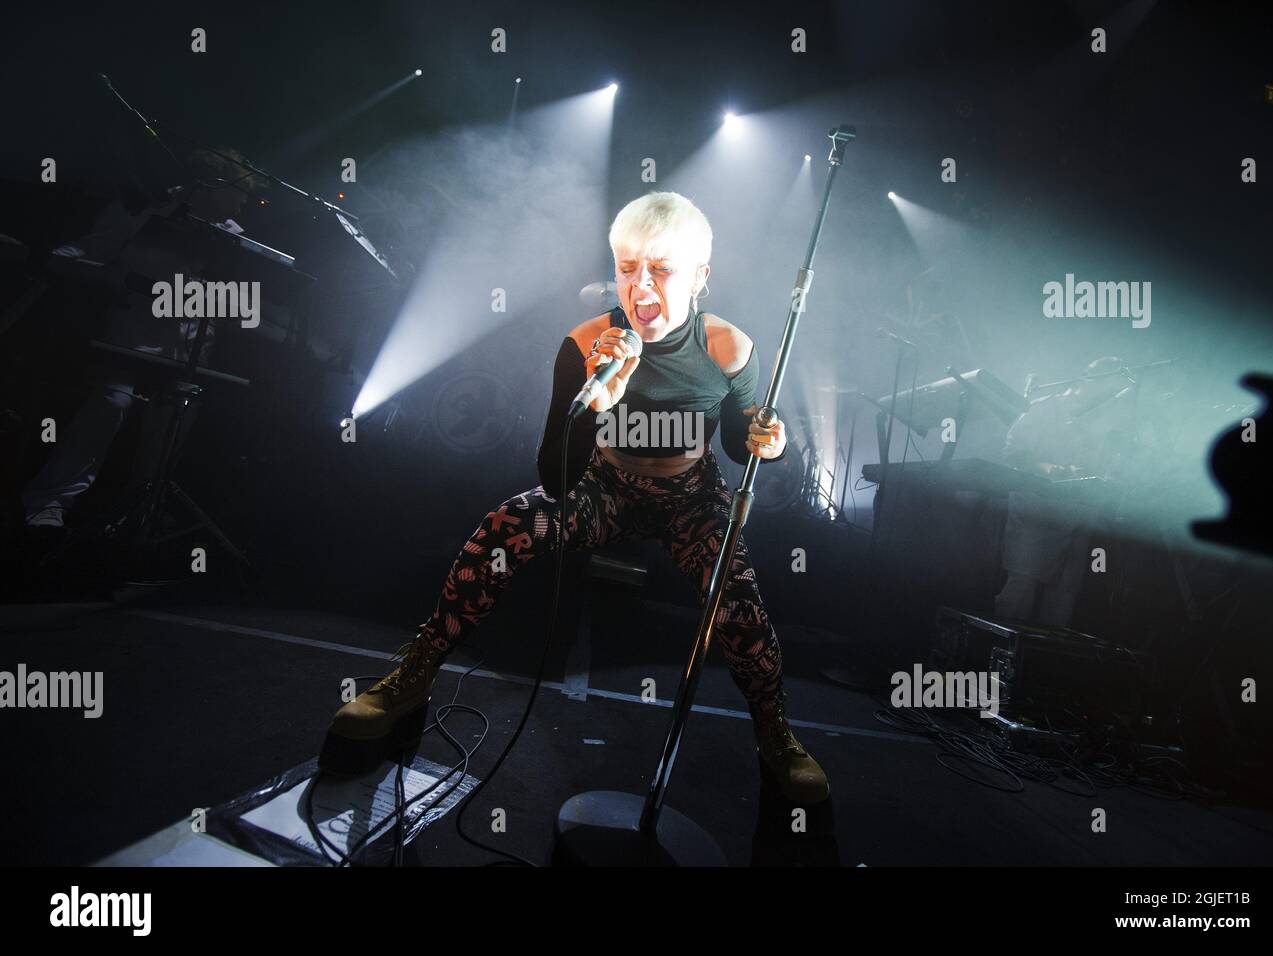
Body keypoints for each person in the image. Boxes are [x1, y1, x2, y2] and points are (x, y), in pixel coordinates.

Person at [320, 191, 830, 804]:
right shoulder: (586, 341)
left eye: (662, 270)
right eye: (627, 267)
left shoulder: (729, 348)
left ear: (700, 277)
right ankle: (413, 676)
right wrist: (596, 405)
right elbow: (557, 475)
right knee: (509, 523)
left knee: (737, 594)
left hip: (690, 495)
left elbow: (737, 443)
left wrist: (769, 445)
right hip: (604, 486)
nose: (640, 288)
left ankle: (775, 735)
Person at [21, 149, 262, 530]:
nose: (245, 203)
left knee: (173, 421)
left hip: (187, 346)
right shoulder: (146, 207)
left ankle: (139, 512)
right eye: (240, 192)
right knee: (110, 404)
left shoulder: (230, 234)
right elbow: (87, 251)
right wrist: (80, 267)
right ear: (212, 184)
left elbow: (230, 294)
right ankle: (48, 503)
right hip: (130, 334)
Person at [995, 356, 1136, 625]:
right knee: (1020, 592)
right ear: (1089, 381)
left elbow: (1110, 465)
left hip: (1077, 517)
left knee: (1063, 600)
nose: (1115, 397)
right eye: (1111, 390)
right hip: (1036, 513)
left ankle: (1043, 661)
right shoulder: (1043, 409)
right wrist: (1049, 468)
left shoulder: (1106, 423)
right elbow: (1012, 454)